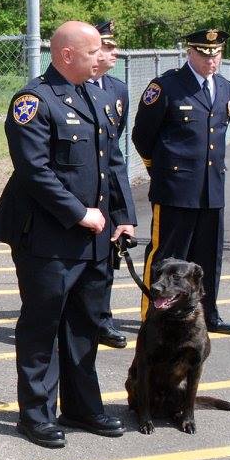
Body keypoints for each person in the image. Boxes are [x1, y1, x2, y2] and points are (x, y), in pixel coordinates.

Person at [0, 21, 133, 449]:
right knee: (42, 325)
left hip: (95, 235)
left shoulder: (99, 93)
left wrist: (122, 214)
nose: (101, 58)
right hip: (47, 238)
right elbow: (34, 171)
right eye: (93, 52)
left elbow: (113, 160)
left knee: (85, 324)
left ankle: (83, 406)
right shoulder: (34, 100)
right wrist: (78, 213)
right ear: (67, 55)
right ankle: (36, 414)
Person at [132, 28, 230, 335]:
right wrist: (162, 170)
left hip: (211, 188)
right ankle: (152, 315)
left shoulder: (225, 87)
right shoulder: (166, 87)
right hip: (175, 188)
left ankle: (209, 314)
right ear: (190, 52)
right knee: (166, 255)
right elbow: (143, 136)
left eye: (216, 53)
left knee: (208, 255)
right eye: (205, 54)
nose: (212, 61)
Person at [87, 20, 137, 349]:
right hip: (78, 195)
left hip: (107, 190)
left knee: (107, 261)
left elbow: (115, 153)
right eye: (106, 46)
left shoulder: (117, 89)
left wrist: (126, 214)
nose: (113, 51)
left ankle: (102, 320)